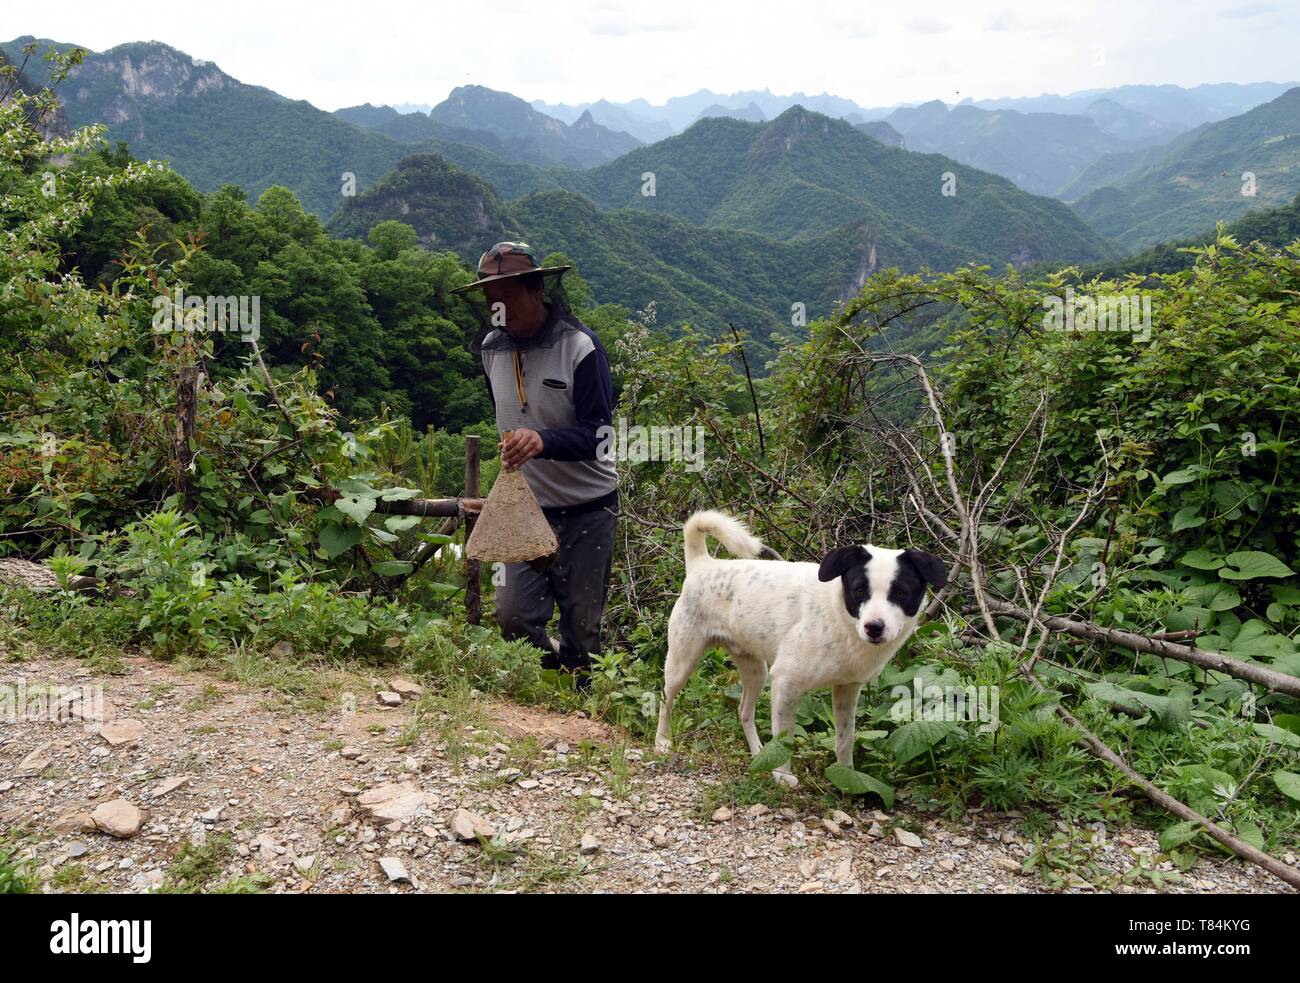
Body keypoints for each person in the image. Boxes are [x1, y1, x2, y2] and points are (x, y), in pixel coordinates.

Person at [451, 242, 618, 683]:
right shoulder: (490, 350)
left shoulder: (581, 348)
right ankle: (546, 688)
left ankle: (582, 702)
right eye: (490, 301)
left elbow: (601, 437)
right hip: (524, 509)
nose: (498, 310)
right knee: (512, 615)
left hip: (588, 507)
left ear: (537, 289)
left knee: (583, 626)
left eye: (506, 298)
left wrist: (543, 441)